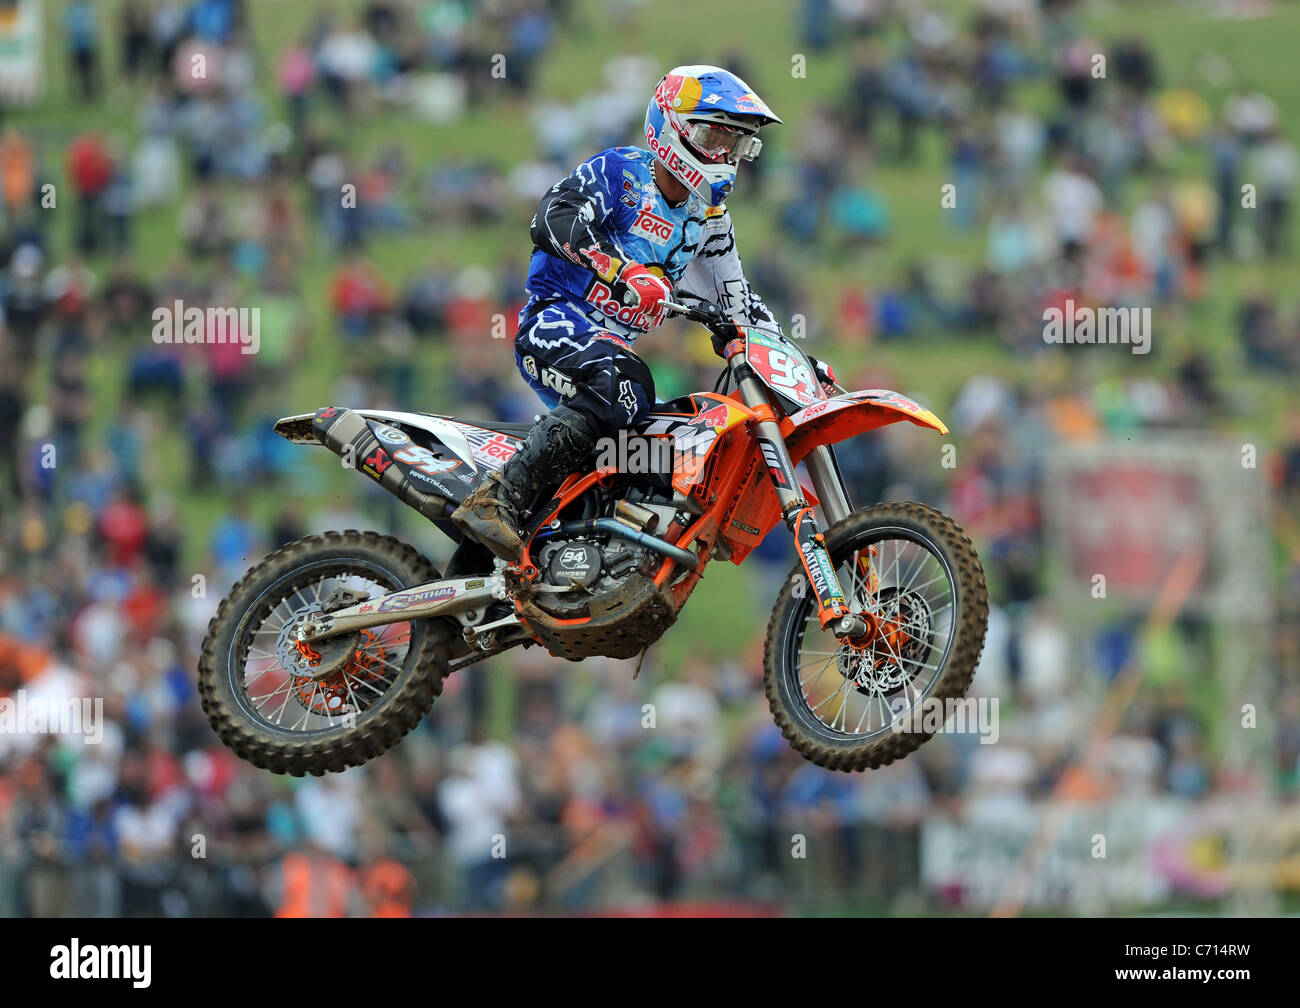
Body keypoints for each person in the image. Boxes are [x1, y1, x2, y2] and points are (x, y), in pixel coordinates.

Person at [452, 66, 783, 560]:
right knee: (625, 385)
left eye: (734, 144)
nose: (724, 155)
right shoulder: (620, 173)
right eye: (715, 136)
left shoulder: (709, 218)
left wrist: (794, 362)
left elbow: (736, 301)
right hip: (554, 323)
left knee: (659, 446)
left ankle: (582, 556)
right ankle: (496, 498)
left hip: (611, 352)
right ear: (675, 127)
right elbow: (550, 219)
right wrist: (622, 271)